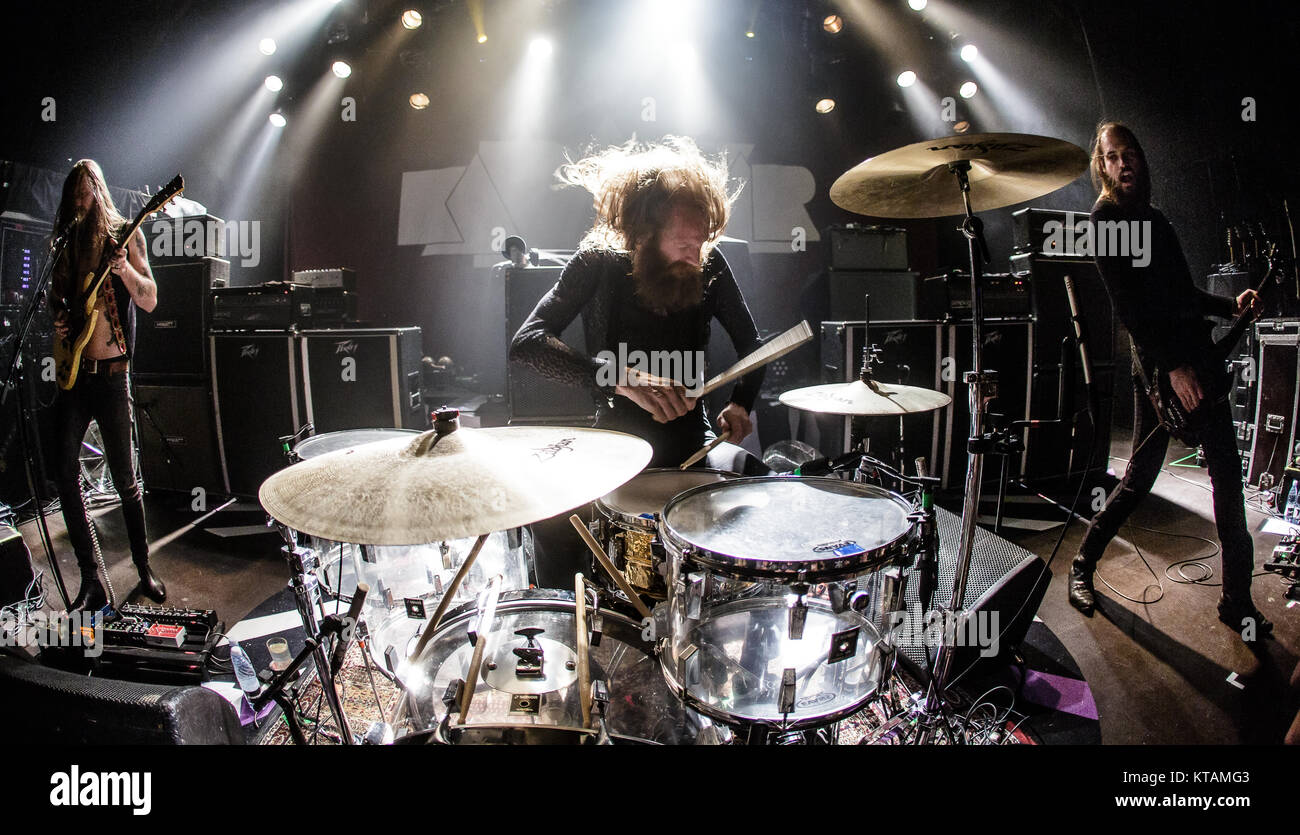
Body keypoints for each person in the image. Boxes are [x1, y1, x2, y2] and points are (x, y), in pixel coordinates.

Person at [509, 137, 766, 586]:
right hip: (615, 437)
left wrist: (743, 402)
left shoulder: (710, 264)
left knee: (762, 490)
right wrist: (616, 377)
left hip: (693, 439)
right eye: (685, 242)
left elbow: (753, 345)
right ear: (644, 234)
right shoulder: (598, 263)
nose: (696, 254)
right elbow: (527, 342)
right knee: (550, 517)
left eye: (704, 242)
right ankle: (569, 626)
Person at [1068, 123, 1269, 639]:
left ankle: (1236, 600)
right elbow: (1130, 309)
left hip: (1197, 363)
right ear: (1102, 167)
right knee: (1137, 480)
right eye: (1112, 158)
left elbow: (1183, 293)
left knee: (1227, 483)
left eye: (1129, 153)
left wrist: (1231, 305)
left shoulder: (1155, 220)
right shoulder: (1105, 219)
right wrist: (1170, 368)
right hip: (1159, 371)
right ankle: (1081, 566)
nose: (1123, 164)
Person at [49, 159, 165, 611]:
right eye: (73, 195)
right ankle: (91, 578)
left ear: (99, 191)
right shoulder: (66, 243)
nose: (80, 202)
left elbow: (150, 299)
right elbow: (57, 301)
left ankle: (143, 567)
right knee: (63, 472)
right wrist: (59, 321)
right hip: (75, 377)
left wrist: (123, 271)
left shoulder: (125, 234)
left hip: (113, 378)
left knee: (126, 481)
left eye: (86, 193)